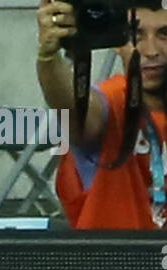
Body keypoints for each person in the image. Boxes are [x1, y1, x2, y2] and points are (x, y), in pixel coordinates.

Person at [37, 2, 167, 228]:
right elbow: (73, 109)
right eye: (135, 35)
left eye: (165, 35)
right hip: (117, 260)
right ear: (116, 41)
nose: (151, 50)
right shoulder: (109, 103)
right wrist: (49, 57)